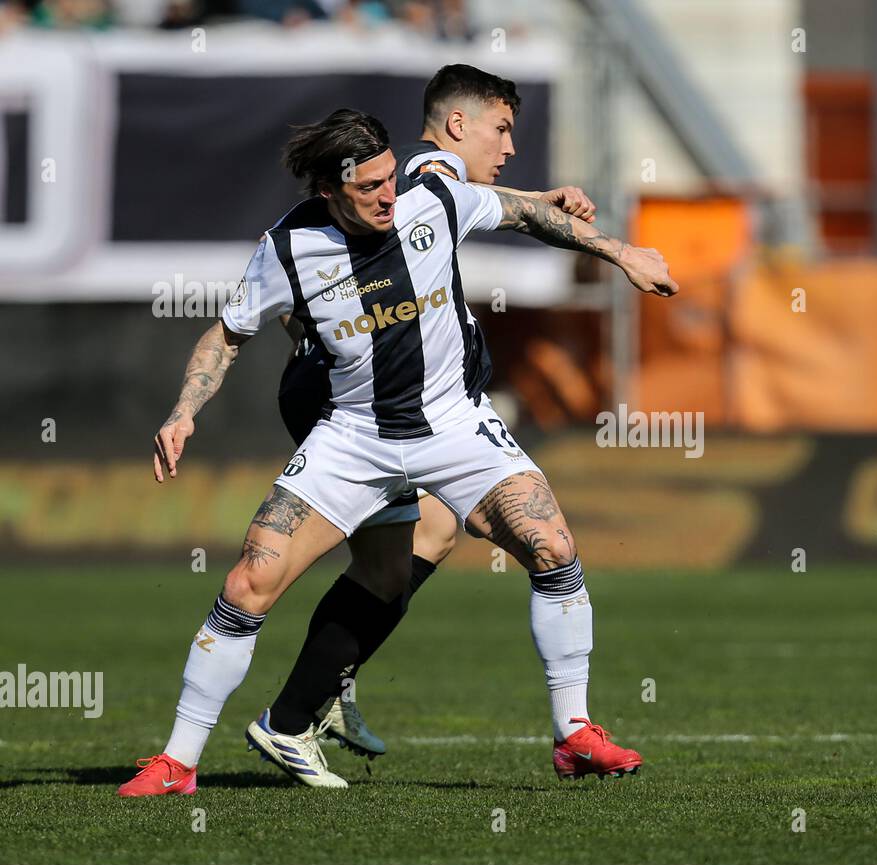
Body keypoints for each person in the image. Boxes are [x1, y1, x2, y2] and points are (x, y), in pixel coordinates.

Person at [118, 106, 676, 798]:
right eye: (369, 188)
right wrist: (182, 411)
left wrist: (623, 253)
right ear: (329, 190)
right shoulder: (289, 248)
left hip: (454, 428)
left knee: (553, 547)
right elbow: (229, 335)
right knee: (247, 585)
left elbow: (522, 214)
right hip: (353, 438)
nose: (388, 196)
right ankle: (177, 762)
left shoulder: (430, 199)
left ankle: (574, 735)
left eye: (389, 178)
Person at [269, 65, 598, 766]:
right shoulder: (425, 165)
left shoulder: (425, 179)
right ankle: (301, 703)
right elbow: (443, 189)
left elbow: (463, 198)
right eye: (501, 128)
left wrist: (537, 197)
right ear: (457, 124)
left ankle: (315, 693)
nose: (508, 146)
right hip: (357, 402)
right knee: (410, 554)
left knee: (427, 542)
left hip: (352, 391)